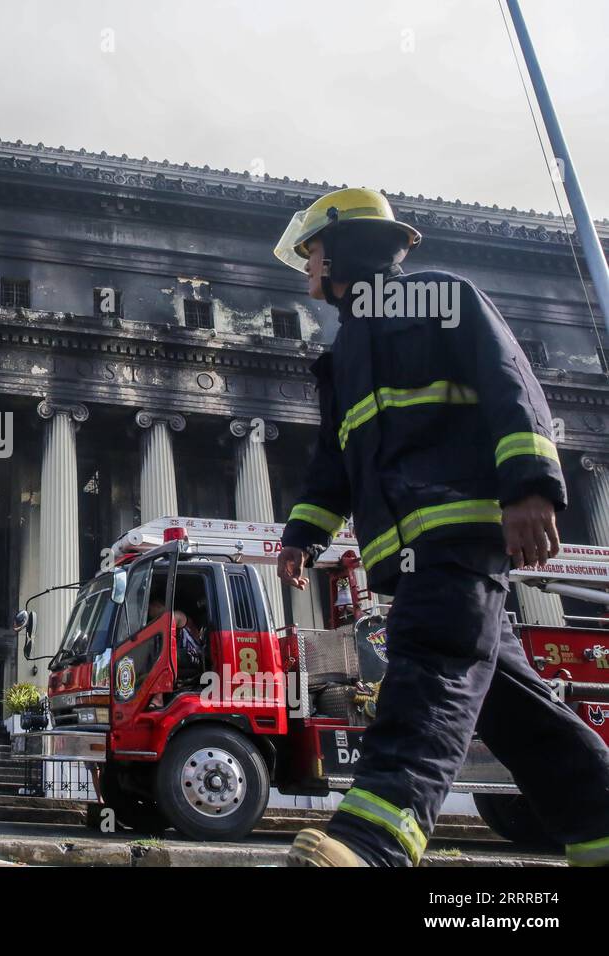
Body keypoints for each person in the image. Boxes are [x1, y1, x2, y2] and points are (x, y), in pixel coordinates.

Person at [273, 187, 609, 867]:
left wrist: (531, 488)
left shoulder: (439, 297)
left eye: (311, 257)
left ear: (342, 250)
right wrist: (303, 534)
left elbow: (510, 382)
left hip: (458, 534)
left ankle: (371, 845)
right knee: (516, 710)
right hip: (413, 548)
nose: (307, 275)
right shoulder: (346, 354)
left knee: (430, 671)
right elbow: (337, 459)